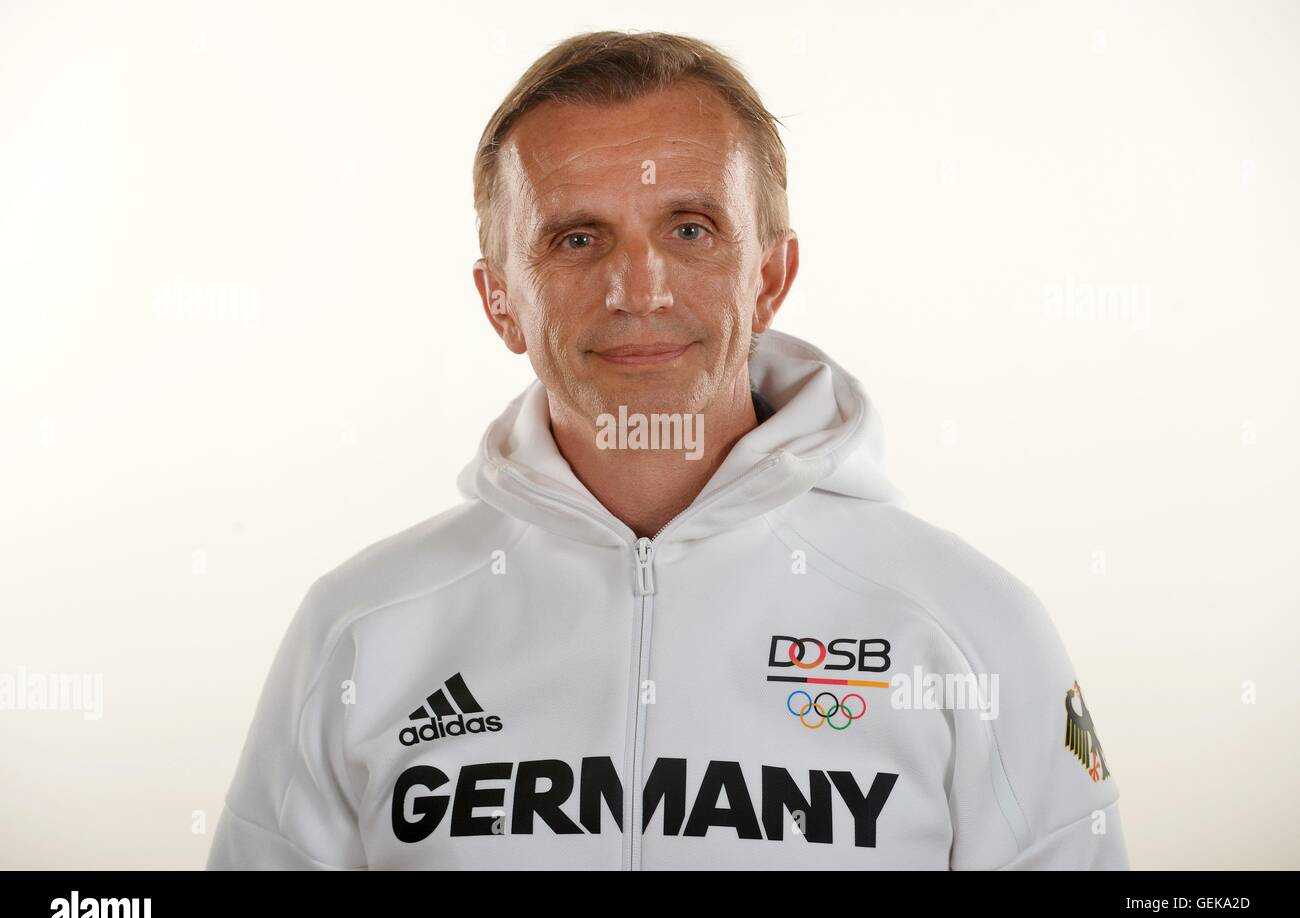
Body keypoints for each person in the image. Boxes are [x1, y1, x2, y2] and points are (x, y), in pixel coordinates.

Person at [207, 30, 1128, 870]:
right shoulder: (363, 631)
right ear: (500, 303)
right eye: (576, 238)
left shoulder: (966, 628)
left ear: (770, 276)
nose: (637, 289)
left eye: (690, 230)